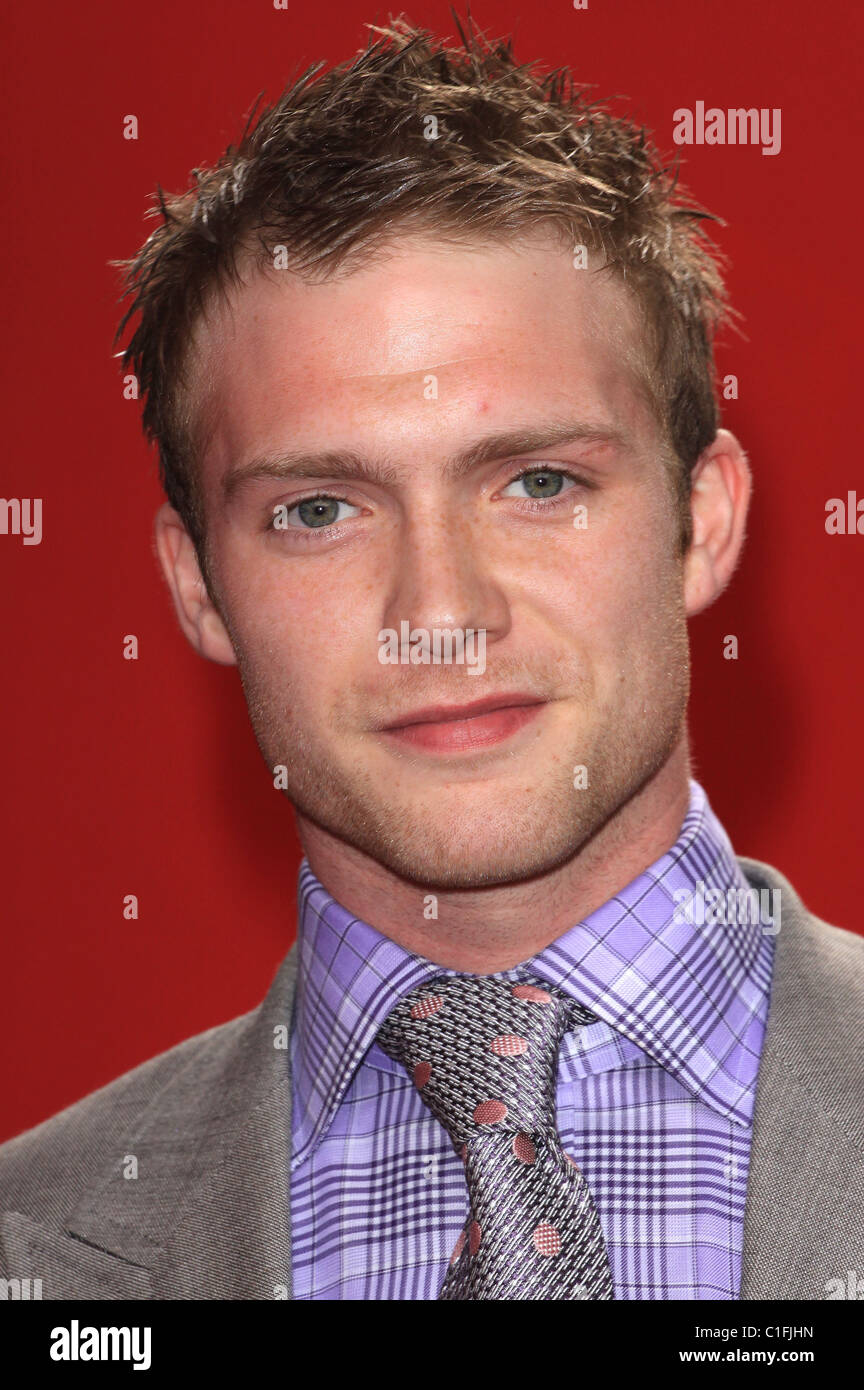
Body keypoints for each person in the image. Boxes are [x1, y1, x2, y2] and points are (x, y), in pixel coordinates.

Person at [1, 15, 862, 1302]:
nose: (440, 610)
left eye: (538, 480)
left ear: (707, 520)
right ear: (197, 586)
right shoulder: (36, 1246)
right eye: (318, 510)